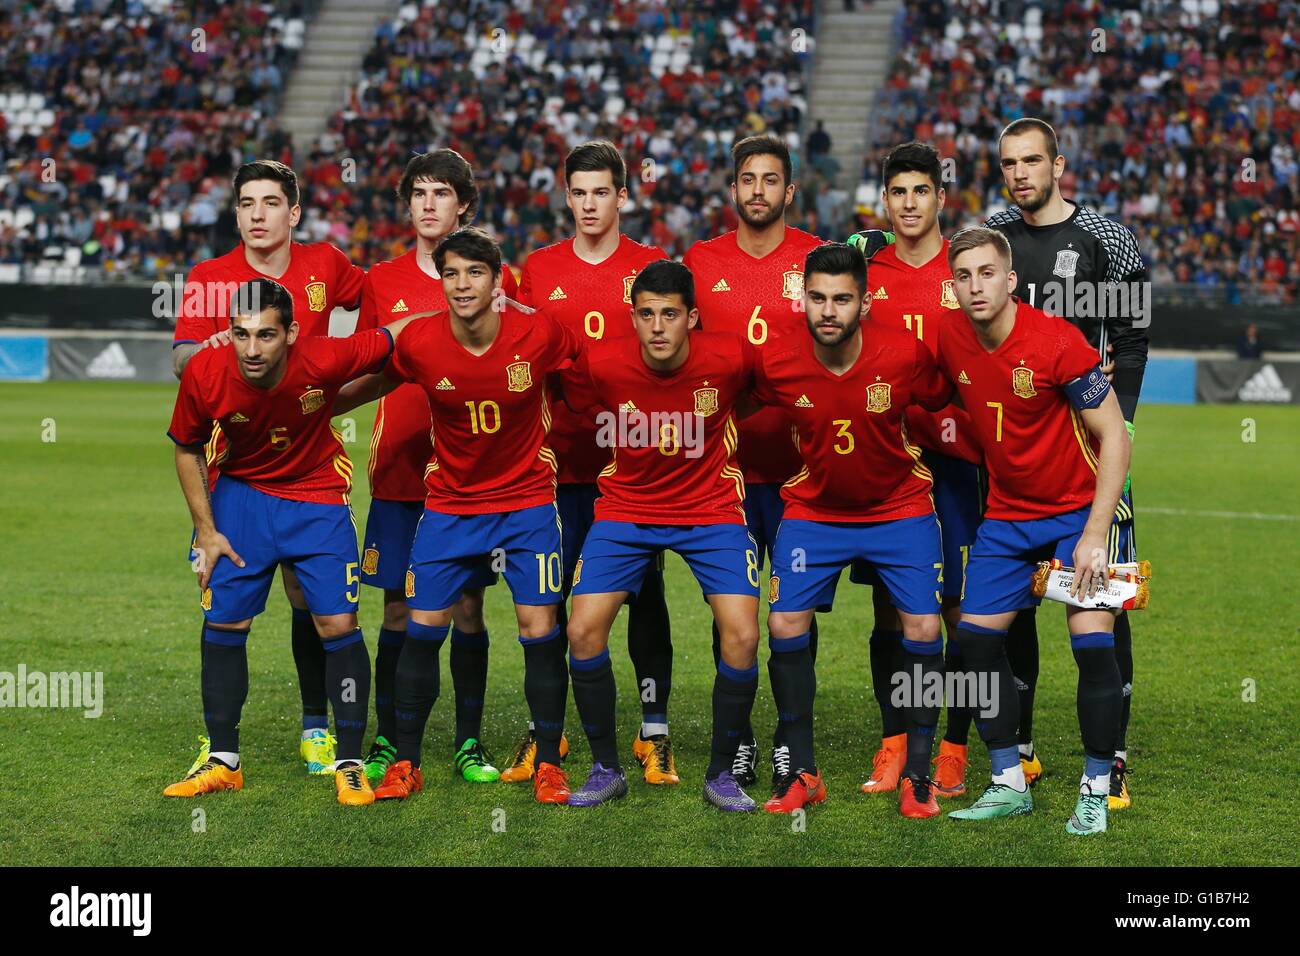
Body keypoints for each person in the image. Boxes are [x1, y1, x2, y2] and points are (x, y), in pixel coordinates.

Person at [335, 227, 582, 805]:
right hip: (449, 508)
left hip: (526, 506)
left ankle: (549, 761)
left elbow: (590, 380)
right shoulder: (420, 341)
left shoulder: (539, 332)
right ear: (440, 280)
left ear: (498, 281)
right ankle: (406, 763)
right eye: (451, 274)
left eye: (475, 273)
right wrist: (306, 404)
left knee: (539, 630)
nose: (462, 284)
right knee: (422, 630)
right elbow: (371, 381)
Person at [165, 277, 418, 806]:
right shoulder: (205, 373)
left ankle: (349, 763)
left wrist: (467, 309)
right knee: (225, 622)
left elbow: (397, 333)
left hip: (316, 497)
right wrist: (207, 532)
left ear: (292, 334)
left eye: (265, 336)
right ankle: (224, 760)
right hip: (241, 499)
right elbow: (186, 449)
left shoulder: (325, 357)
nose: (252, 349)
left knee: (338, 624)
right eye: (240, 334)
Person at [171, 160, 365, 777]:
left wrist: (325, 391)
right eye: (247, 204)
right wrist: (215, 356)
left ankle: (317, 727)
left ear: (294, 212)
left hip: (309, 466)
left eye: (271, 203)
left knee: (310, 598)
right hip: (235, 469)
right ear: (235, 214)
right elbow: (182, 358)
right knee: (226, 603)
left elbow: (381, 308)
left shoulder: (328, 265)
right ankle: (221, 746)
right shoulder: (209, 277)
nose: (258, 214)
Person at [936, 228, 1131, 835]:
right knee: (973, 641)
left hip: (1078, 511)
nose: (976, 286)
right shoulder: (949, 338)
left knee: (1093, 646)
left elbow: (1116, 435)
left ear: (1011, 279)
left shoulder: (1056, 341)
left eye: (987, 273)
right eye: (964, 276)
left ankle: (1097, 788)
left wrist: (1096, 531)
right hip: (1008, 515)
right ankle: (1008, 781)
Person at [753, 243, 953, 818]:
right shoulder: (777, 360)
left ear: (865, 303)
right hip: (814, 513)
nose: (829, 310)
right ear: (802, 298)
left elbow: (949, 393)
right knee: (784, 619)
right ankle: (802, 771)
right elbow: (730, 395)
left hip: (900, 508)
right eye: (817, 298)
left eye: (842, 299)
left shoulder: (904, 353)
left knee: (920, 624)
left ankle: (918, 774)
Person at [560, 260, 763, 810]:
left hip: (711, 507)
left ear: (692, 317)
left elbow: (758, 394)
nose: (657, 327)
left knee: (742, 635)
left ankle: (722, 775)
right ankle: (606, 769)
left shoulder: (730, 357)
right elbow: (572, 398)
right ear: (633, 316)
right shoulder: (603, 364)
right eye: (646, 314)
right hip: (627, 508)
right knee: (582, 631)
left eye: (669, 314)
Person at [988, 118, 1148, 809]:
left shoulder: (1107, 239)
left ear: (1058, 163)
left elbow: (1134, 337)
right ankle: (1019, 750)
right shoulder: (993, 239)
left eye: (1032, 161)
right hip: (1017, 452)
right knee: (1019, 599)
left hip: (1089, 445)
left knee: (1103, 596)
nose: (1020, 173)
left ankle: (1110, 758)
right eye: (1008, 163)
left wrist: (1122, 422)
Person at [352, 150, 518, 786]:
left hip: (473, 477)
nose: (428, 204)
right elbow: (367, 370)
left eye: (441, 193)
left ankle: (469, 742)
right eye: (418, 192)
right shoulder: (380, 281)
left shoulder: (496, 277)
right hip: (399, 471)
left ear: (463, 205)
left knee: (468, 609)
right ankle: (389, 740)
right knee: (398, 612)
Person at [512, 141, 675, 785]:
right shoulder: (538, 269)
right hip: (554, 466)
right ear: (566, 195)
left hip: (634, 470)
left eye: (600, 192)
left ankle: (653, 729)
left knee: (645, 597)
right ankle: (546, 735)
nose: (587, 204)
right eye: (577, 193)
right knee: (547, 600)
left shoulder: (652, 266)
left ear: (622, 196)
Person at [684, 134, 824, 787]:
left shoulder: (818, 263)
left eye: (771, 179)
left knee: (792, 615)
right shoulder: (700, 260)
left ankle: (792, 744)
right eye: (748, 179)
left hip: (803, 476)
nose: (758, 190)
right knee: (734, 615)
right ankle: (735, 740)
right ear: (733, 189)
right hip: (726, 478)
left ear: (789, 191)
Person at [846, 142, 984, 799]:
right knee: (890, 611)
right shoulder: (865, 269)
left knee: (957, 610)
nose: (907, 204)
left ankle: (953, 747)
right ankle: (894, 741)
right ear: (885, 200)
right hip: (882, 466)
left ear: (939, 198)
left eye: (919, 192)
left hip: (953, 466)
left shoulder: (963, 272)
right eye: (896, 193)